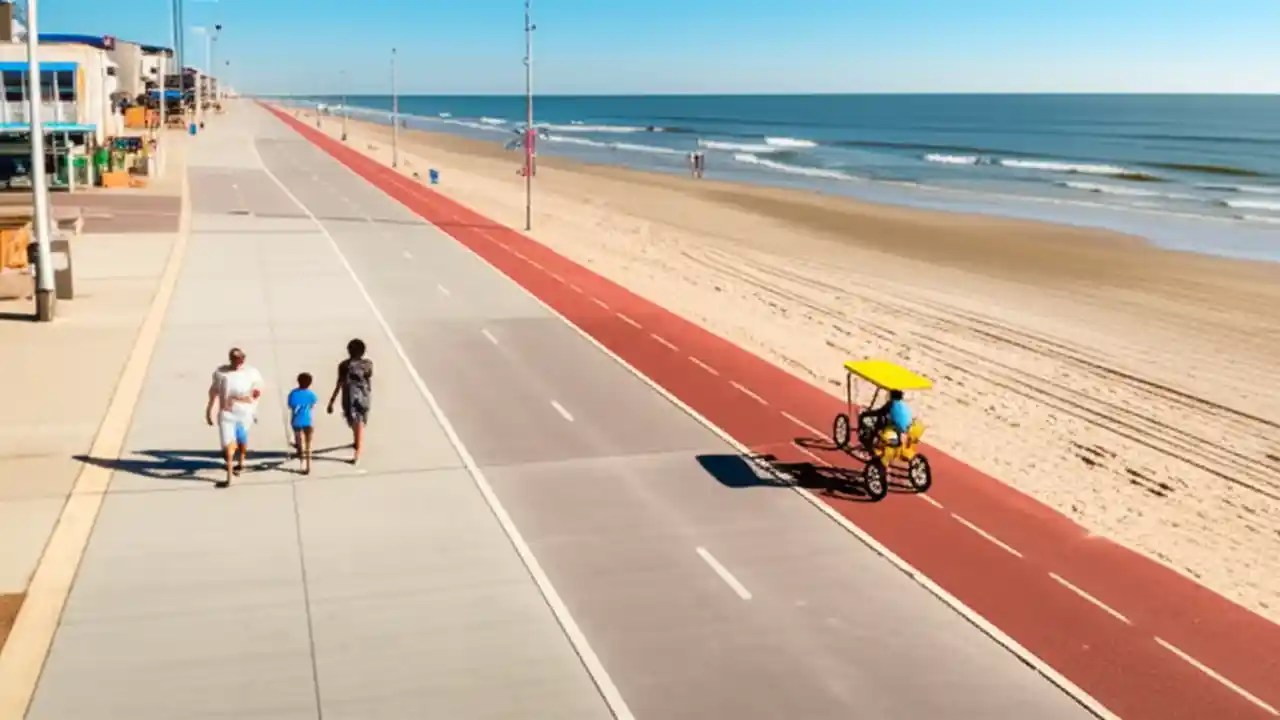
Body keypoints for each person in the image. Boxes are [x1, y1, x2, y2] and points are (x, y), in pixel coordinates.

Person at [205, 347, 263, 488]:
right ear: (230, 358)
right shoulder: (221, 374)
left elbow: (256, 393)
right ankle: (229, 476)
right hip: (227, 415)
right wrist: (209, 410)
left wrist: (252, 406)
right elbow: (213, 393)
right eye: (235, 358)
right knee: (229, 446)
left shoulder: (251, 373)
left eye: (240, 358)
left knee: (242, 440)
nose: (238, 361)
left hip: (243, 414)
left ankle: (241, 462)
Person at [327, 338, 374, 465]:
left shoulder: (344, 365)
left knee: (355, 421)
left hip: (349, 396)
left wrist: (332, 401)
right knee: (360, 421)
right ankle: (357, 444)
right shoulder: (368, 364)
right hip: (363, 395)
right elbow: (368, 378)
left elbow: (339, 383)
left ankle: (357, 451)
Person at [288, 373, 319, 474]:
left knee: (299, 439)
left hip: (296, 420)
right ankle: (308, 467)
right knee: (308, 445)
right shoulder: (311, 394)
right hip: (308, 421)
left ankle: (301, 460)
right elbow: (313, 404)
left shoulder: (293, 394)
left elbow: (291, 406)